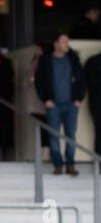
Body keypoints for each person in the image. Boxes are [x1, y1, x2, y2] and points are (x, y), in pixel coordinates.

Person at [34, 32, 85, 176]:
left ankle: (70, 165)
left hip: (71, 106)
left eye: (67, 41)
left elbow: (81, 79)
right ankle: (57, 165)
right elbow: (40, 82)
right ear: (56, 44)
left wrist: (79, 98)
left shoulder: (73, 59)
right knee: (54, 136)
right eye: (63, 42)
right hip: (53, 106)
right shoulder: (46, 61)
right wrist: (46, 99)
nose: (66, 44)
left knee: (71, 136)